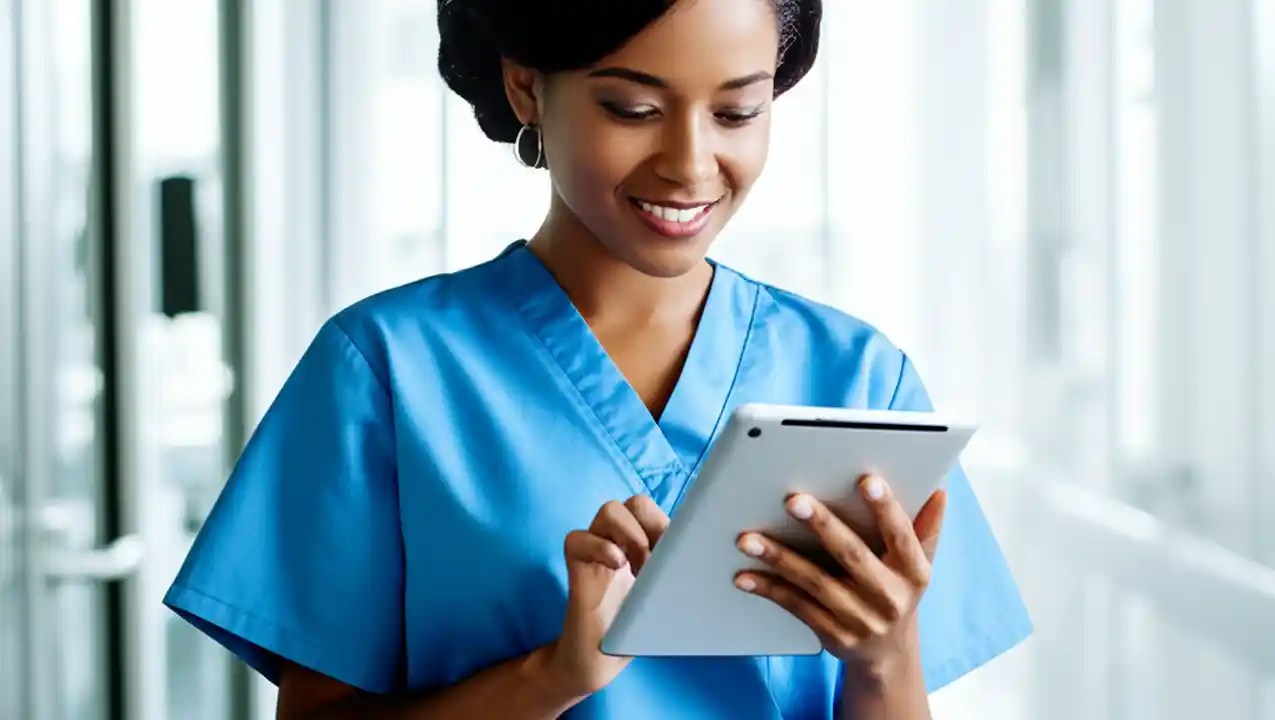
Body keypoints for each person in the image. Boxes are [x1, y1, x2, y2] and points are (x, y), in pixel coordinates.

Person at [164, 0, 1031, 717]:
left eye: (737, 111)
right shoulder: (387, 371)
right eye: (634, 109)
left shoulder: (857, 378)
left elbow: (889, 687)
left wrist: (884, 660)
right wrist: (554, 677)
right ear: (527, 86)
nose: (691, 165)